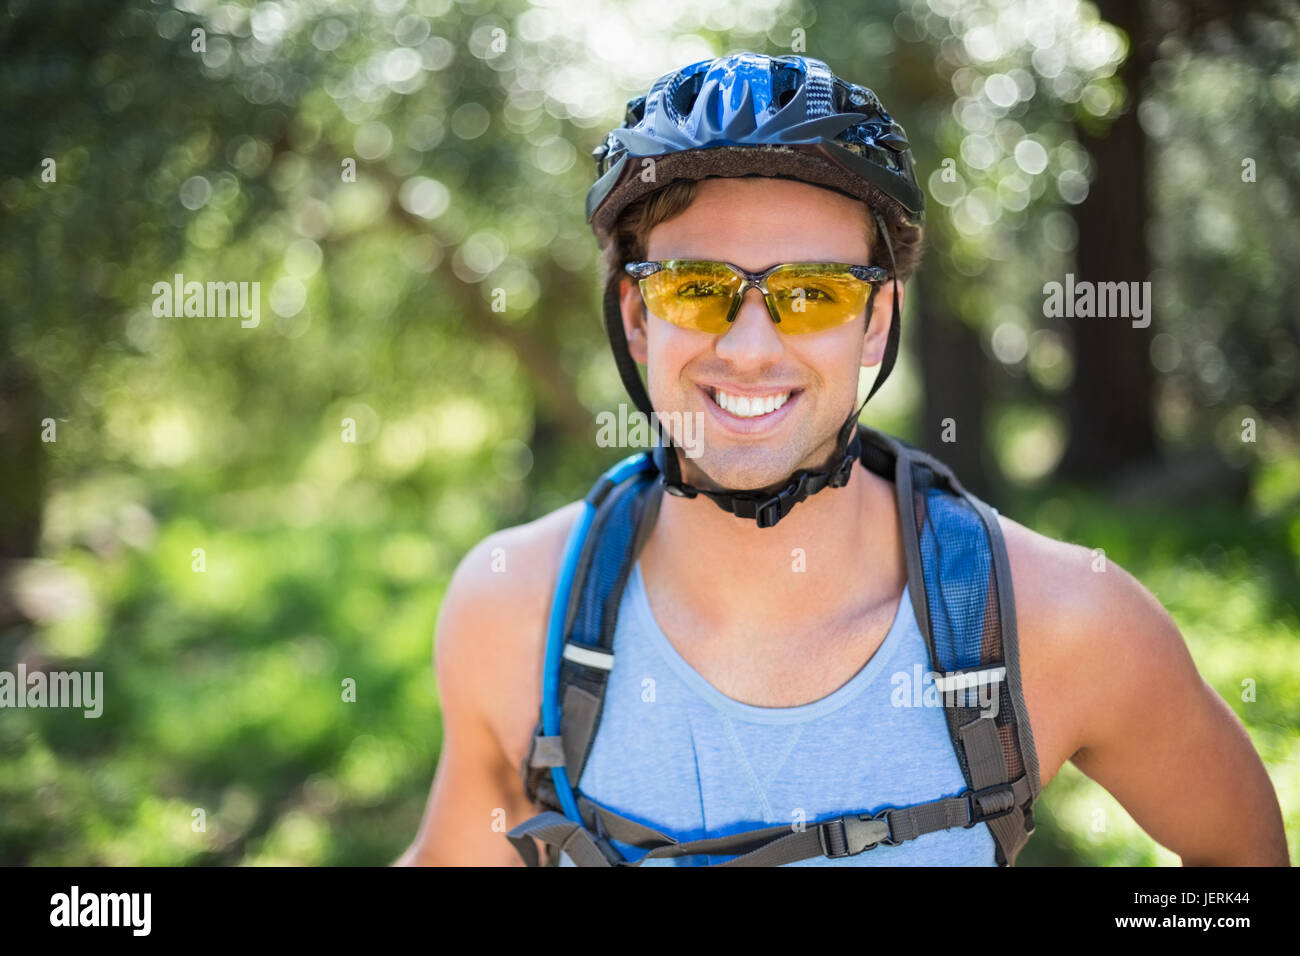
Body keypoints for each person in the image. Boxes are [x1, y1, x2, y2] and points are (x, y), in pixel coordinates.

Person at [396, 53, 1288, 866]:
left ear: (878, 321)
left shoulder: (1067, 620)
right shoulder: (515, 611)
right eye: (696, 289)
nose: (750, 349)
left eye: (812, 293)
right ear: (636, 318)